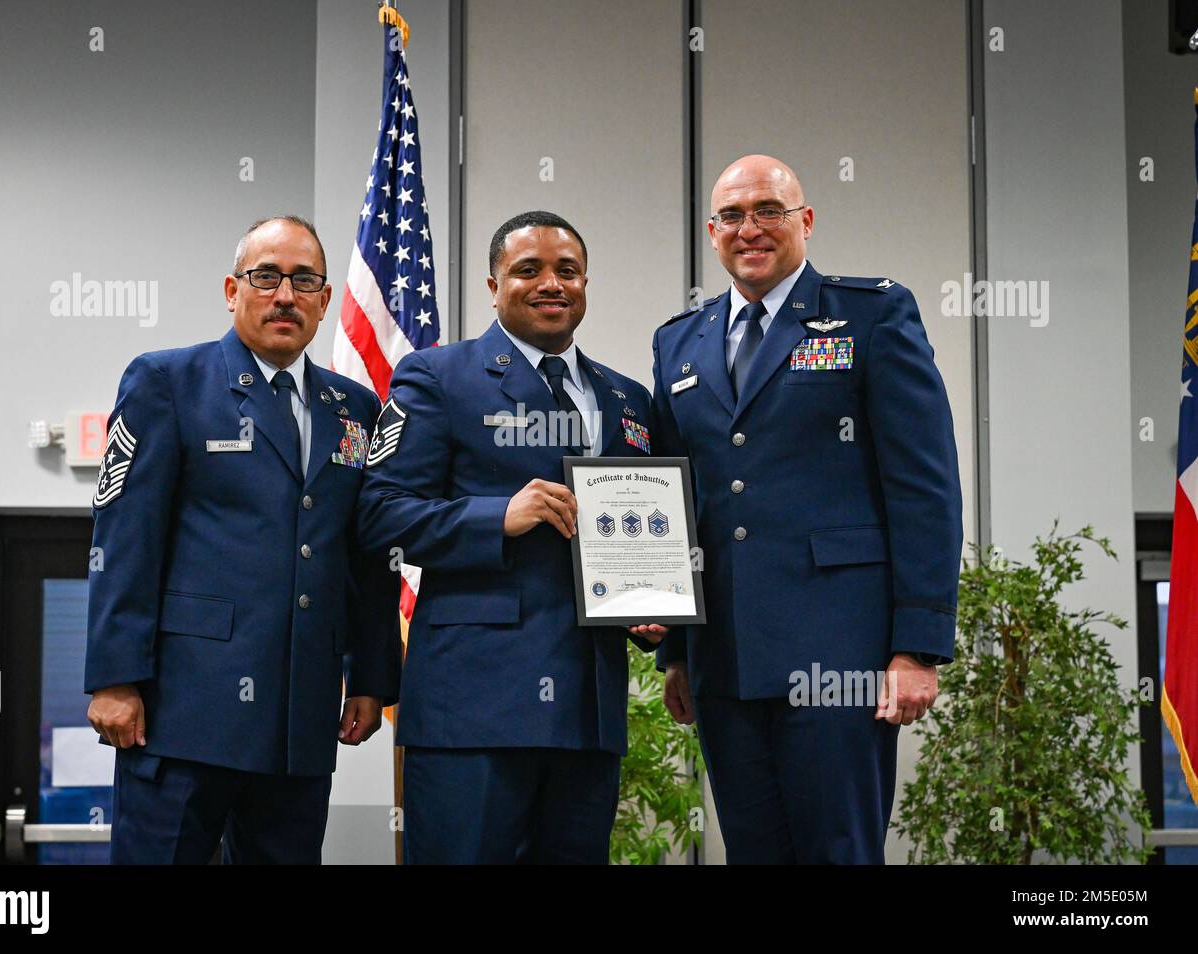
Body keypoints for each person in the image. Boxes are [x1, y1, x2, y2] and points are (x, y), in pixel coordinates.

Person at [651, 156, 963, 863]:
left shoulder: (872, 313)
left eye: (769, 210)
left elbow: (926, 486)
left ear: (807, 222)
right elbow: (678, 498)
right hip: (725, 658)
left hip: (839, 653)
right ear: (712, 231)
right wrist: (675, 649)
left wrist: (917, 646)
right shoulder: (678, 342)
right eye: (732, 215)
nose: (749, 228)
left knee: (837, 851)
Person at [84, 215, 400, 864]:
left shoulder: (357, 409)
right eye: (266, 277)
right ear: (233, 290)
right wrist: (114, 678)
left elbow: (367, 554)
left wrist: (371, 675)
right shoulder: (168, 383)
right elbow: (124, 537)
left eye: (304, 280)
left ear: (324, 300)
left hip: (297, 724)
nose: (285, 294)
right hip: (180, 717)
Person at [358, 211, 663, 864]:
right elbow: (379, 515)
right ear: (494, 284)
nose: (550, 283)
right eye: (528, 270)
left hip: (588, 711)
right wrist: (497, 516)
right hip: (475, 710)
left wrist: (645, 608)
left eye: (567, 271)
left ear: (585, 284)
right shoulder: (439, 378)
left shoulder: (627, 398)